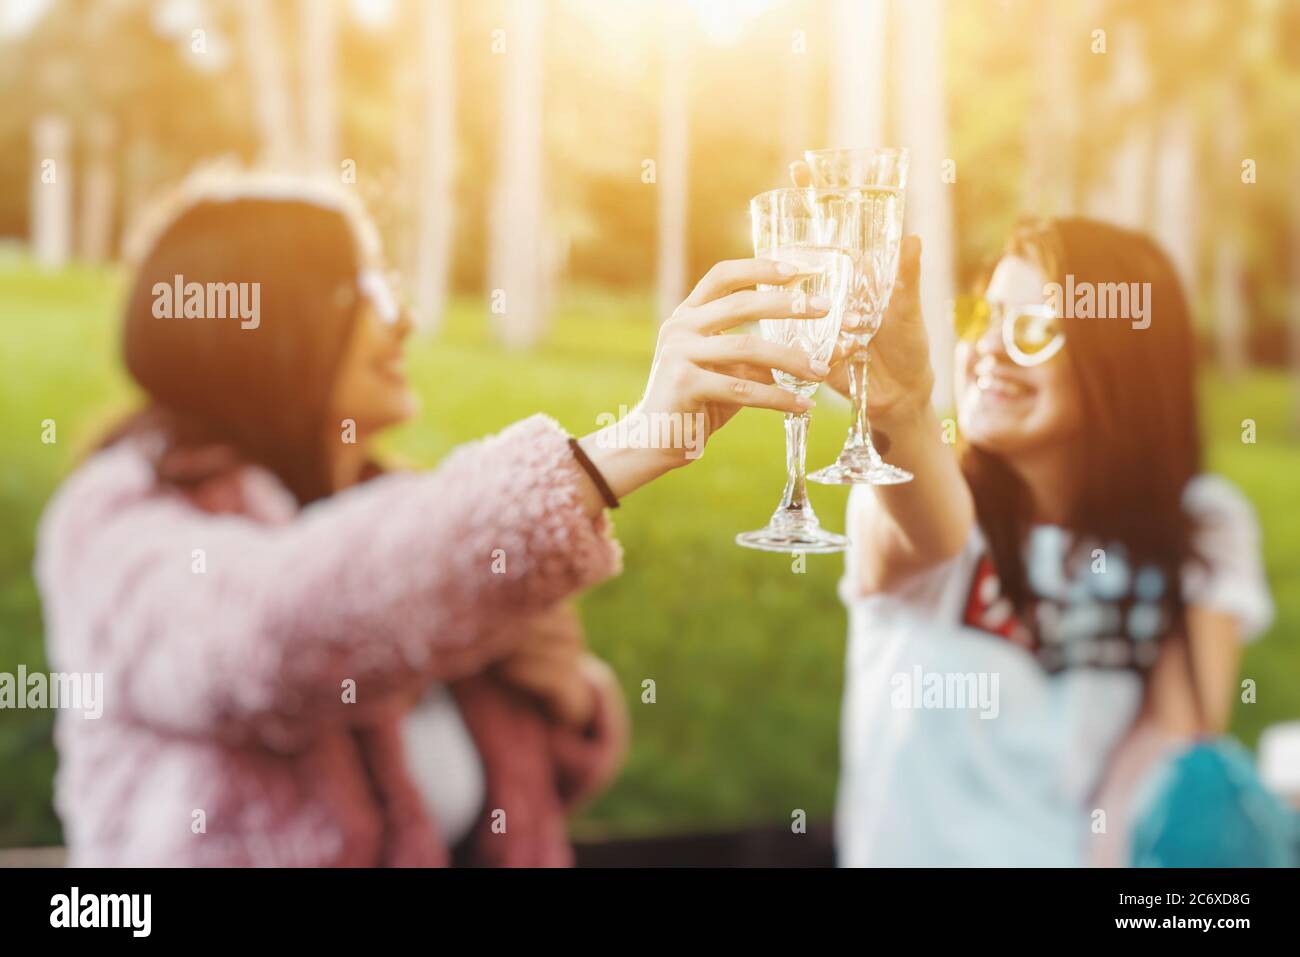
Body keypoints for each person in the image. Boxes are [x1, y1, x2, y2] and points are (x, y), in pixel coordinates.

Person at [35, 174, 833, 866]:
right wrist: (615, 453)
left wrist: (571, 698)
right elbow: (262, 641)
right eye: (365, 291)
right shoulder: (116, 520)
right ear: (260, 325)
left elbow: (542, 783)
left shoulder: (410, 517)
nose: (404, 319)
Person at [828, 217, 1273, 866]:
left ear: (1122, 363)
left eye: (1035, 328)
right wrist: (900, 410)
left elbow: (1169, 734)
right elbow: (934, 531)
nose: (990, 347)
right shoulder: (907, 488)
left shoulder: (1202, 523)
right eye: (984, 316)